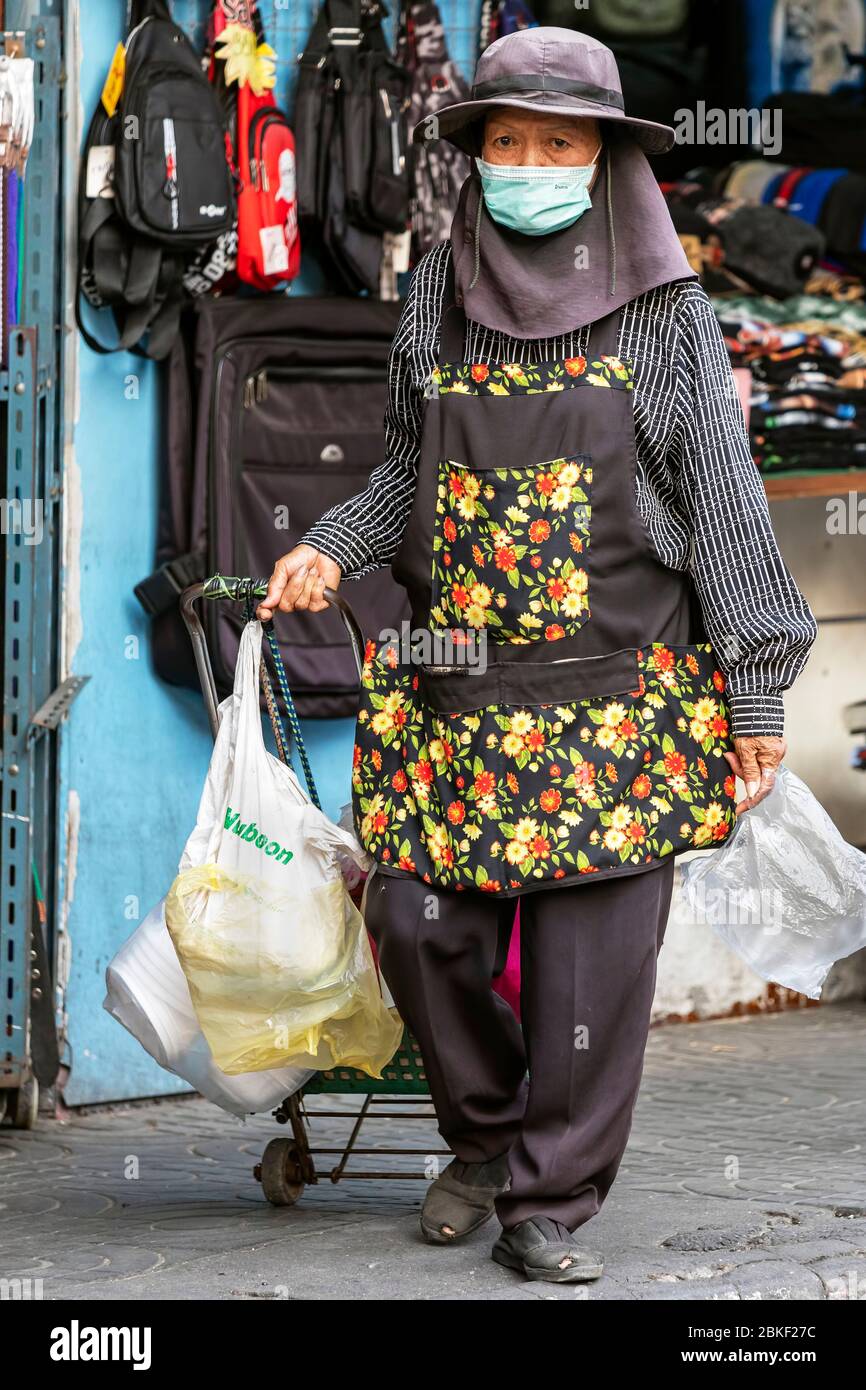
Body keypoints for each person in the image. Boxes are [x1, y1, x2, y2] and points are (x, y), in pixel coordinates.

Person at [258, 28, 817, 1284]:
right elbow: (403, 466)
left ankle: (547, 1200)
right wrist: (333, 547)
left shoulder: (667, 312)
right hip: (458, 691)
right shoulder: (434, 298)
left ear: (603, 161)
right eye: (502, 142)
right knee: (416, 920)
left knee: (586, 967)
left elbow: (722, 501)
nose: (524, 165)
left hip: (619, 700)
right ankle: (485, 1136)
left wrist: (755, 692)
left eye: (553, 144)